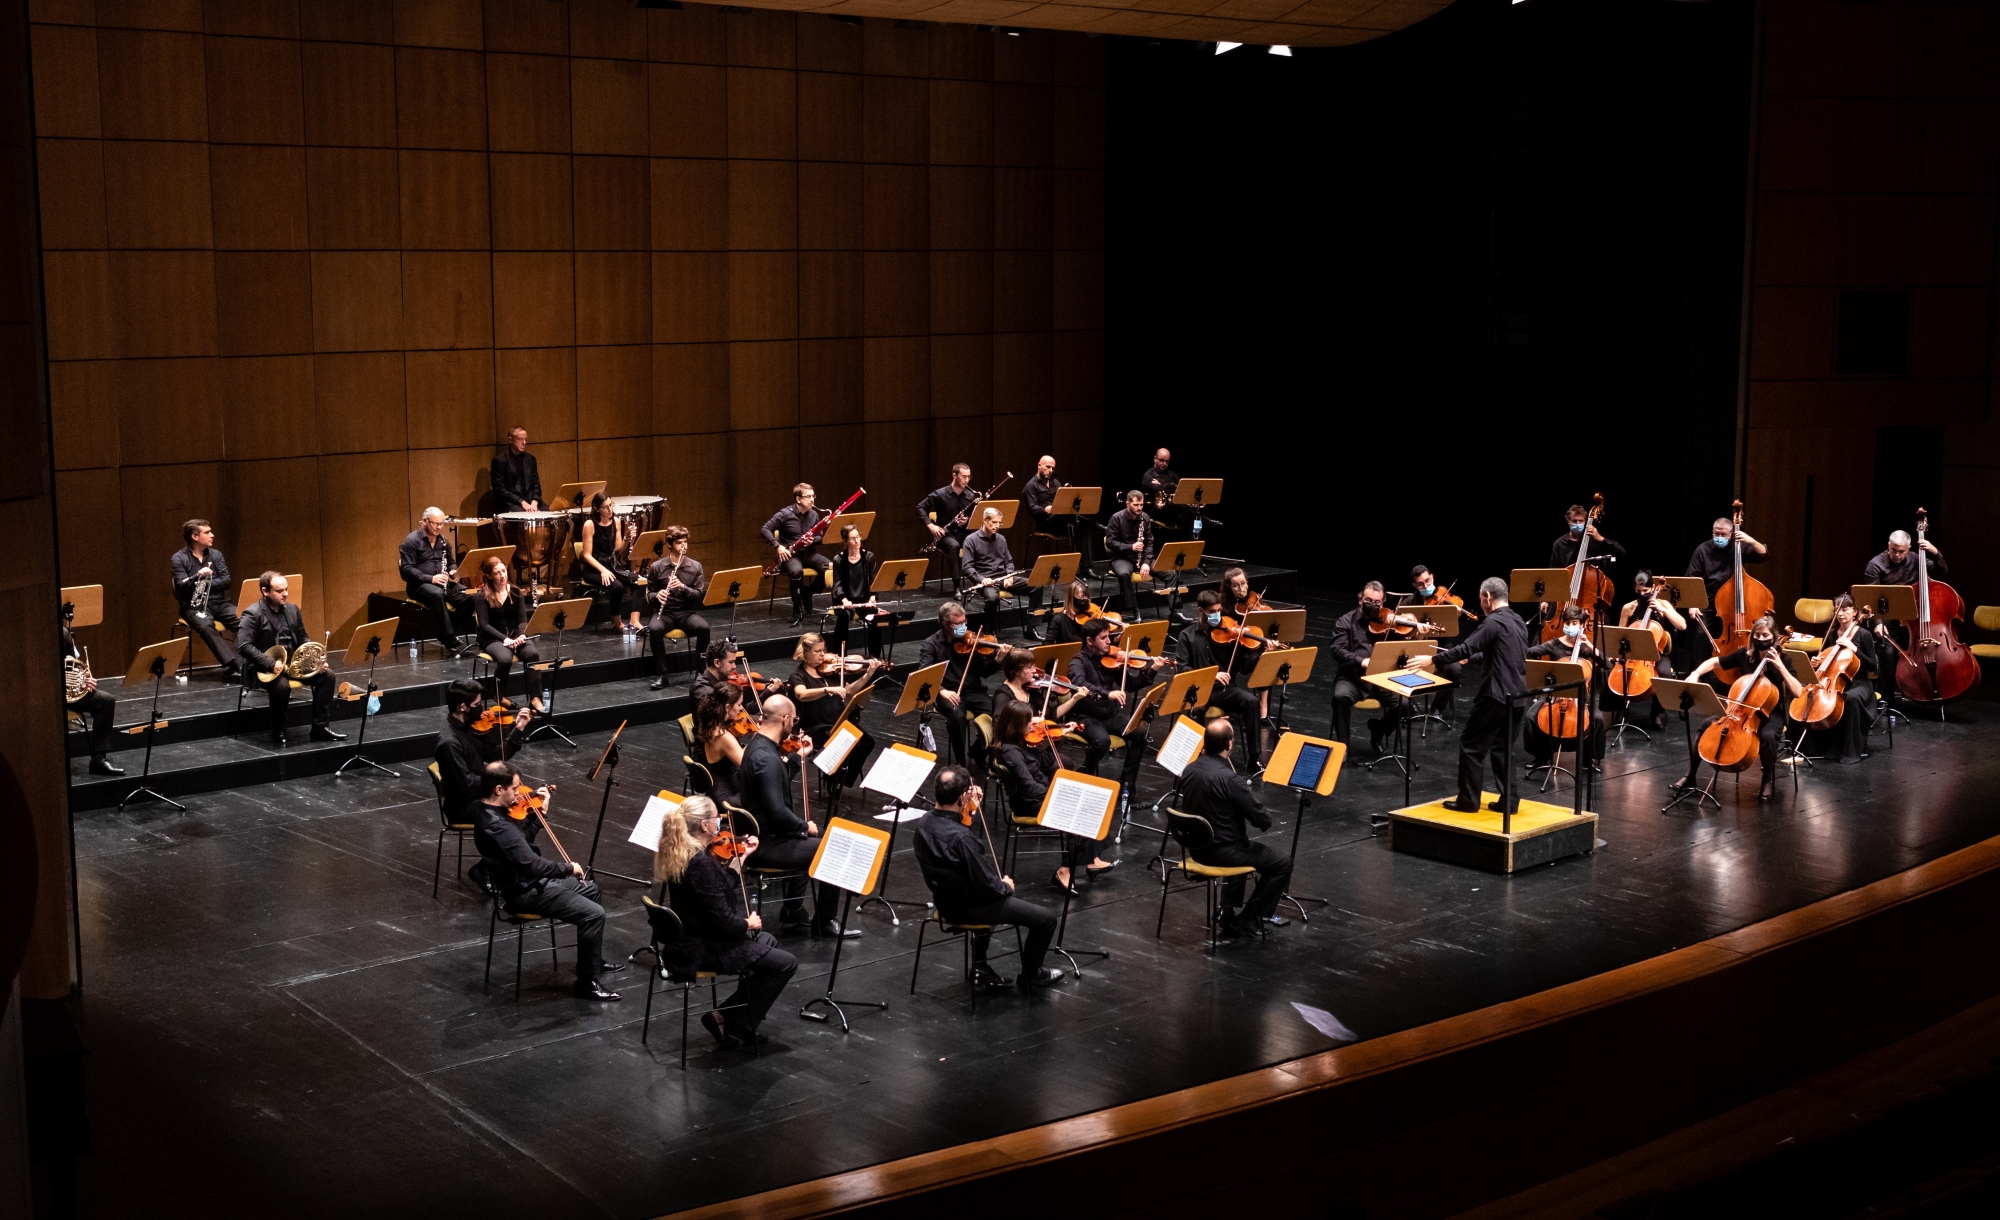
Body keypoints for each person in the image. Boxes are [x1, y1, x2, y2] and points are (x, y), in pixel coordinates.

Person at [654, 793, 799, 1047]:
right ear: (704, 825)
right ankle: (729, 1018)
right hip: (703, 948)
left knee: (769, 942)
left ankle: (733, 1020)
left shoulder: (684, 854)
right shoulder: (700, 864)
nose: (720, 824)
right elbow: (726, 924)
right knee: (786, 963)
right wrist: (748, 923)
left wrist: (742, 857)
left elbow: (720, 885)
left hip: (690, 941)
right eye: (716, 819)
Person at [470, 760, 621, 1001]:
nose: (520, 793)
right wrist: (567, 868)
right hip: (525, 893)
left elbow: (522, 843)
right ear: (499, 790)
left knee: (590, 890)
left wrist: (540, 813)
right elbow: (532, 864)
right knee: (594, 914)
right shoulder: (498, 826)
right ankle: (586, 982)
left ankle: (593, 962)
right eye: (516, 788)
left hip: (530, 883)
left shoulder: (489, 814)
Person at [911, 765, 1065, 991]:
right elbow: (988, 887)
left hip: (944, 902)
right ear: (963, 796)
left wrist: (968, 811)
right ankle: (1032, 974)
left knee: (987, 893)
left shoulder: (923, 824)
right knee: (1046, 919)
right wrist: (1005, 886)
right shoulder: (962, 838)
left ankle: (981, 968)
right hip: (971, 907)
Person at [737, 694, 858, 940]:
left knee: (827, 836)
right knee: (832, 848)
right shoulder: (767, 759)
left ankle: (792, 910)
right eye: (793, 720)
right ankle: (825, 921)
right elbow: (778, 812)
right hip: (768, 843)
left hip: (764, 835)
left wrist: (797, 758)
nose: (794, 725)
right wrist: (804, 827)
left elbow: (773, 783)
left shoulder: (756, 747)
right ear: (785, 719)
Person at [1407, 577, 1529, 814]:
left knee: (1471, 746)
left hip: (1495, 696)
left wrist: (1430, 659)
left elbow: (1467, 646)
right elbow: (1497, 652)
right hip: (1518, 696)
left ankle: (1468, 800)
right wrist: (1469, 657)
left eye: (1481, 598)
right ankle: (1509, 802)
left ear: (1488, 597)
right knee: (1503, 749)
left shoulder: (1493, 622)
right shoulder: (1518, 621)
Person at [1670, 615, 1806, 804]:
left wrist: (1779, 665)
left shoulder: (1784, 659)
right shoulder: (1745, 654)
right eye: (1757, 635)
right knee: (1704, 726)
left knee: (1767, 737)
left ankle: (1767, 781)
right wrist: (1695, 673)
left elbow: (1798, 692)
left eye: (1765, 635)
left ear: (1774, 637)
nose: (1761, 639)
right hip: (1740, 710)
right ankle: (1691, 774)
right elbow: (1715, 662)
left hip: (1770, 713)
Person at [1179, 720, 1292, 937]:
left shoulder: (1190, 769)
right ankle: (1249, 919)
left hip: (1197, 849)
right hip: (1223, 852)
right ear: (1229, 744)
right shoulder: (1229, 779)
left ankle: (1226, 911)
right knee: (1283, 864)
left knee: (1239, 842)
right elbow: (1261, 819)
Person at [992, 703, 1111, 893]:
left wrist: (1057, 738)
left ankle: (1091, 859)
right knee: (1083, 811)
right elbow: (1029, 787)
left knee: (1095, 804)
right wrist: (1057, 794)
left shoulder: (1024, 743)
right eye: (1029, 721)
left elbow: (1047, 762)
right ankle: (1065, 871)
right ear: (1016, 725)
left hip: (1042, 795)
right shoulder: (1010, 752)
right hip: (1029, 803)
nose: (1034, 724)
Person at [237, 572, 342, 747]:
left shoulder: (293, 609)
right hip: (265, 668)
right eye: (279, 591)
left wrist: (314, 659)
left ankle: (320, 727)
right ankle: (278, 730)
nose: (285, 594)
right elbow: (244, 646)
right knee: (282, 686)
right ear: (265, 591)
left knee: (327, 676)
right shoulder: (252, 614)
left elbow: (302, 637)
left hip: (293, 664)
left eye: (286, 589)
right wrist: (271, 663)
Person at [1171, 591, 1265, 766]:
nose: (1217, 615)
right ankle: (1200, 757)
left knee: (1252, 701)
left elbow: (1244, 668)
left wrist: (1260, 652)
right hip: (1199, 691)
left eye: (1219, 610)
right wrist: (1212, 674)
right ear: (1201, 611)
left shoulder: (1227, 633)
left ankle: (1254, 758)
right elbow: (1182, 670)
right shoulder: (1187, 636)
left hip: (1224, 690)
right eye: (1213, 611)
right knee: (1196, 710)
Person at [787, 632, 881, 791]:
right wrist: (826, 689)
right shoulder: (798, 675)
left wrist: (868, 674)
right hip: (814, 726)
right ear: (806, 652)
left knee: (866, 742)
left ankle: (840, 779)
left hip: (837, 722)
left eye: (823, 650)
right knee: (842, 742)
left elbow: (850, 691)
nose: (822, 655)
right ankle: (833, 779)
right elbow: (801, 694)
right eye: (817, 651)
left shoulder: (830, 671)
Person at [1066, 617, 1158, 776]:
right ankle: (1086, 771)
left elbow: (1130, 684)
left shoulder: (1111, 659)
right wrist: (1107, 694)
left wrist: (1153, 669)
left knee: (1142, 734)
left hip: (1110, 715)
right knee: (1102, 742)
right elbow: (1079, 683)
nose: (1109, 642)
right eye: (1103, 638)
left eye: (1109, 636)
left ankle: (1127, 782)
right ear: (1089, 641)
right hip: (1085, 717)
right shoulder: (1078, 661)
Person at [433, 677, 534, 821]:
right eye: (477, 704)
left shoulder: (472, 727)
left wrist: (519, 728)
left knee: (525, 804)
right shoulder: (449, 742)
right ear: (463, 707)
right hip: (464, 805)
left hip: (480, 794)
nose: (482, 709)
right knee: (515, 812)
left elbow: (496, 755)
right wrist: (499, 783)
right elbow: (466, 783)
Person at [916, 601, 1003, 768]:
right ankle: (960, 764)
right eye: (958, 623)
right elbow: (924, 674)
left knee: (1001, 716)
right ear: (945, 624)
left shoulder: (971, 641)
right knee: (956, 717)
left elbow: (984, 671)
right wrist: (942, 691)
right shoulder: (931, 645)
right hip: (948, 693)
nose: (963, 626)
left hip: (974, 691)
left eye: (965, 622)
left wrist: (998, 659)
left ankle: (977, 751)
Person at [1863, 528, 1948, 698]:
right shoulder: (1875, 564)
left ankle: (1923, 691)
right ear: (1888, 545)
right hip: (1889, 615)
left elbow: (1942, 571)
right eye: (1893, 550)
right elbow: (1871, 598)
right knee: (1888, 651)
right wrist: (1878, 624)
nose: (1896, 554)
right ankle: (1887, 698)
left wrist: (1935, 552)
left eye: (1901, 551)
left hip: (1915, 616)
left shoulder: (1917, 559)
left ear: (1908, 549)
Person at [1523, 604, 1607, 771]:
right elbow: (1529, 652)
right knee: (1531, 717)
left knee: (1597, 720)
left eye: (1574, 623)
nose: (1570, 627)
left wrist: (1590, 646)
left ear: (1582, 625)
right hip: (1556, 694)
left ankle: (1587, 760)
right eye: (1567, 623)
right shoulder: (1554, 644)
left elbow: (1608, 664)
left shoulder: (1585, 648)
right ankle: (1541, 756)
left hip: (1580, 696)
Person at [1806, 594, 1878, 766]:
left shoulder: (1864, 635)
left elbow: (1872, 667)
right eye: (1837, 610)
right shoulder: (1831, 633)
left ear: (1855, 612)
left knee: (1851, 699)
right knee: (1810, 693)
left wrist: (1855, 650)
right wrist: (1817, 661)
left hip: (1859, 682)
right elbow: (1828, 659)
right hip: (1834, 680)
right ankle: (1820, 747)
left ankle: (1851, 751)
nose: (1840, 614)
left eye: (1845, 609)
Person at [1611, 571, 1687, 729]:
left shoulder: (1663, 604)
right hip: (1632, 654)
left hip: (1656, 655)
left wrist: (1663, 609)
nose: (1642, 594)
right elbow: (1620, 634)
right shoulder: (1628, 608)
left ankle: (1656, 712)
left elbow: (1682, 625)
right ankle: (1619, 709)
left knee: (1665, 673)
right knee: (1614, 670)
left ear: (1653, 587)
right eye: (1638, 591)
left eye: (1645, 591)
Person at [170, 518, 242, 678]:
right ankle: (234, 665)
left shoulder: (216, 555)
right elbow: (181, 586)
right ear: (195, 536)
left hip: (219, 603)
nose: (212, 535)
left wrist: (205, 582)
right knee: (206, 626)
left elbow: (226, 581)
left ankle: (238, 664)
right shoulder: (179, 558)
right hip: (192, 606)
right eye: (207, 532)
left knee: (246, 621)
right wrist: (197, 576)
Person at [1327, 583, 1391, 753]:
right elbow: (1337, 651)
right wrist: (1361, 661)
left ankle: (1380, 730)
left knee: (1406, 703)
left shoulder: (1388, 623)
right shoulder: (1345, 622)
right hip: (1352, 678)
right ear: (1360, 599)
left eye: (1377, 602)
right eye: (1368, 600)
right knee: (1340, 697)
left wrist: (1419, 632)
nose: (1373, 605)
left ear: (1382, 603)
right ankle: (1342, 747)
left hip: (1380, 680)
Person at [644, 525, 709, 691]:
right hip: (665, 613)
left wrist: (682, 587)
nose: (684, 546)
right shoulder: (656, 567)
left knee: (704, 628)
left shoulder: (695, 567)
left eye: (686, 542)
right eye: (680, 543)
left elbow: (698, 596)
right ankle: (662, 675)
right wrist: (657, 596)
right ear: (670, 544)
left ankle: (701, 673)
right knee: (654, 628)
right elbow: (648, 596)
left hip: (686, 613)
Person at [399, 507, 472, 654]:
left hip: (442, 583)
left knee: (472, 597)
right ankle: (450, 637)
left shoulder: (443, 542)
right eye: (435, 523)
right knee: (437, 594)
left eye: (441, 524)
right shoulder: (411, 541)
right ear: (425, 521)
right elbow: (406, 570)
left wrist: (453, 570)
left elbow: (451, 561)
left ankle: (445, 633)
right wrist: (431, 578)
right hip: (418, 585)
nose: (439, 527)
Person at [961, 506, 1041, 640]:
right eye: (994, 522)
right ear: (985, 520)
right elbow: (967, 567)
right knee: (992, 598)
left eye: (999, 523)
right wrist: (981, 579)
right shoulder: (971, 540)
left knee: (1036, 587)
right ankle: (989, 631)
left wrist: (1010, 575)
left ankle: (1032, 628)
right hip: (985, 581)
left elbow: (1009, 561)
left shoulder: (1001, 539)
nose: (997, 526)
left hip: (1003, 577)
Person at [471, 557, 540, 704]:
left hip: (515, 636)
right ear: (489, 576)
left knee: (532, 654)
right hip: (492, 638)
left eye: (504, 571)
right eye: (497, 573)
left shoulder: (516, 592)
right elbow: (484, 625)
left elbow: (522, 620)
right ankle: (498, 695)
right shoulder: (482, 596)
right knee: (505, 659)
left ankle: (535, 697)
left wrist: (521, 635)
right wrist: (505, 639)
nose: (502, 576)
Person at [762, 483, 832, 626]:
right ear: (798, 499)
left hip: (809, 553)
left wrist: (813, 540)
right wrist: (778, 546)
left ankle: (809, 592)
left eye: (813, 496)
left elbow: (820, 537)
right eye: (808, 497)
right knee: (796, 571)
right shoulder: (784, 514)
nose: (812, 500)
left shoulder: (814, 514)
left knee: (830, 567)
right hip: (790, 555)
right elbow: (765, 529)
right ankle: (797, 609)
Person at [63, 615, 122, 775]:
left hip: (67, 693)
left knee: (106, 701)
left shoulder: (63, 634)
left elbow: (73, 667)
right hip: (43, 695)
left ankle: (98, 760)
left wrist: (83, 681)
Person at [578, 493, 643, 633]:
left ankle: (635, 620)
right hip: (593, 569)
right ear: (596, 509)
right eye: (605, 507)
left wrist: (627, 538)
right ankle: (617, 623)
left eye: (610, 505)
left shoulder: (616, 521)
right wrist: (603, 570)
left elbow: (618, 550)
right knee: (617, 587)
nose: (609, 509)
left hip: (612, 566)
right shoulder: (590, 524)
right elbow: (587, 555)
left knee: (639, 581)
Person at [828, 523, 885, 658]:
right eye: (853, 538)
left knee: (874, 615)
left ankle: (874, 656)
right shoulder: (839, 559)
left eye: (858, 537)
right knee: (844, 616)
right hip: (845, 602)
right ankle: (840, 655)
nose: (857, 541)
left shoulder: (868, 557)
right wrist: (844, 600)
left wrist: (872, 597)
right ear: (846, 541)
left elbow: (873, 581)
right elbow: (837, 584)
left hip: (864, 601)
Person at [917, 463, 983, 575]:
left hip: (963, 533)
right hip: (945, 535)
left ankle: (981, 579)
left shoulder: (970, 496)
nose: (967, 480)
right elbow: (920, 507)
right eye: (963, 476)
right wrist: (931, 525)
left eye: (969, 477)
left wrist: (967, 520)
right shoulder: (940, 494)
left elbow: (974, 517)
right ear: (954, 475)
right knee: (954, 546)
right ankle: (957, 586)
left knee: (980, 542)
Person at [1102, 489, 1156, 619]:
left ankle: (1176, 611)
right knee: (1124, 574)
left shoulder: (1145, 517)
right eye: (1136, 505)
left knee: (1169, 571)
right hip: (1122, 558)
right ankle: (1135, 611)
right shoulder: (1117, 518)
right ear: (1127, 503)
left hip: (1142, 559)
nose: (1139, 508)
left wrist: (1146, 563)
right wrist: (1130, 547)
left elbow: (1149, 543)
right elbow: (1110, 542)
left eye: (1141, 505)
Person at [691, 683, 746, 806]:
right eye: (739, 704)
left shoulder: (712, 726)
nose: (741, 708)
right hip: (728, 796)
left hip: (717, 791)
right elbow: (747, 766)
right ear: (727, 707)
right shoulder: (723, 736)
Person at [1548, 503, 1627, 569]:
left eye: (1581, 521)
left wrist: (1601, 538)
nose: (1578, 523)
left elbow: (1621, 552)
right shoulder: (1559, 544)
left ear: (1585, 521)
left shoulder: (1593, 539)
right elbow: (1554, 572)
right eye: (1574, 521)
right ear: (1568, 520)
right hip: (1566, 585)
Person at [491, 426, 543, 512]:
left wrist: (535, 501)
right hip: (511, 503)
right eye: (520, 439)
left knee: (548, 513)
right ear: (510, 439)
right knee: (523, 516)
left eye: (525, 439)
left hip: (530, 501)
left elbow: (536, 484)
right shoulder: (499, 461)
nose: (524, 442)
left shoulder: (530, 459)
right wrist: (521, 502)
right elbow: (499, 489)